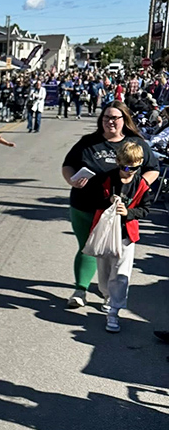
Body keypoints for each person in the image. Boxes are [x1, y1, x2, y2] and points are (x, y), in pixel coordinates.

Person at [61, 101, 159, 308]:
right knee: (87, 247)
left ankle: (108, 293)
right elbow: (68, 165)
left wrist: (139, 187)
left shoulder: (136, 143)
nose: (110, 122)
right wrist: (71, 181)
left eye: (115, 118)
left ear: (124, 120)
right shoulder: (88, 142)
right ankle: (81, 290)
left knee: (113, 254)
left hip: (118, 211)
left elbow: (153, 168)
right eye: (106, 117)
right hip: (84, 205)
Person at [90, 143, 150, 333]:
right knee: (104, 272)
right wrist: (107, 201)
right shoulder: (106, 179)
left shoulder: (141, 184)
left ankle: (114, 311)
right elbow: (92, 199)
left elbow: (146, 209)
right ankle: (106, 295)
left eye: (135, 168)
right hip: (105, 232)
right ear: (118, 163)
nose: (130, 172)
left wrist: (129, 212)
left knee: (121, 275)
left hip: (126, 235)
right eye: (126, 167)